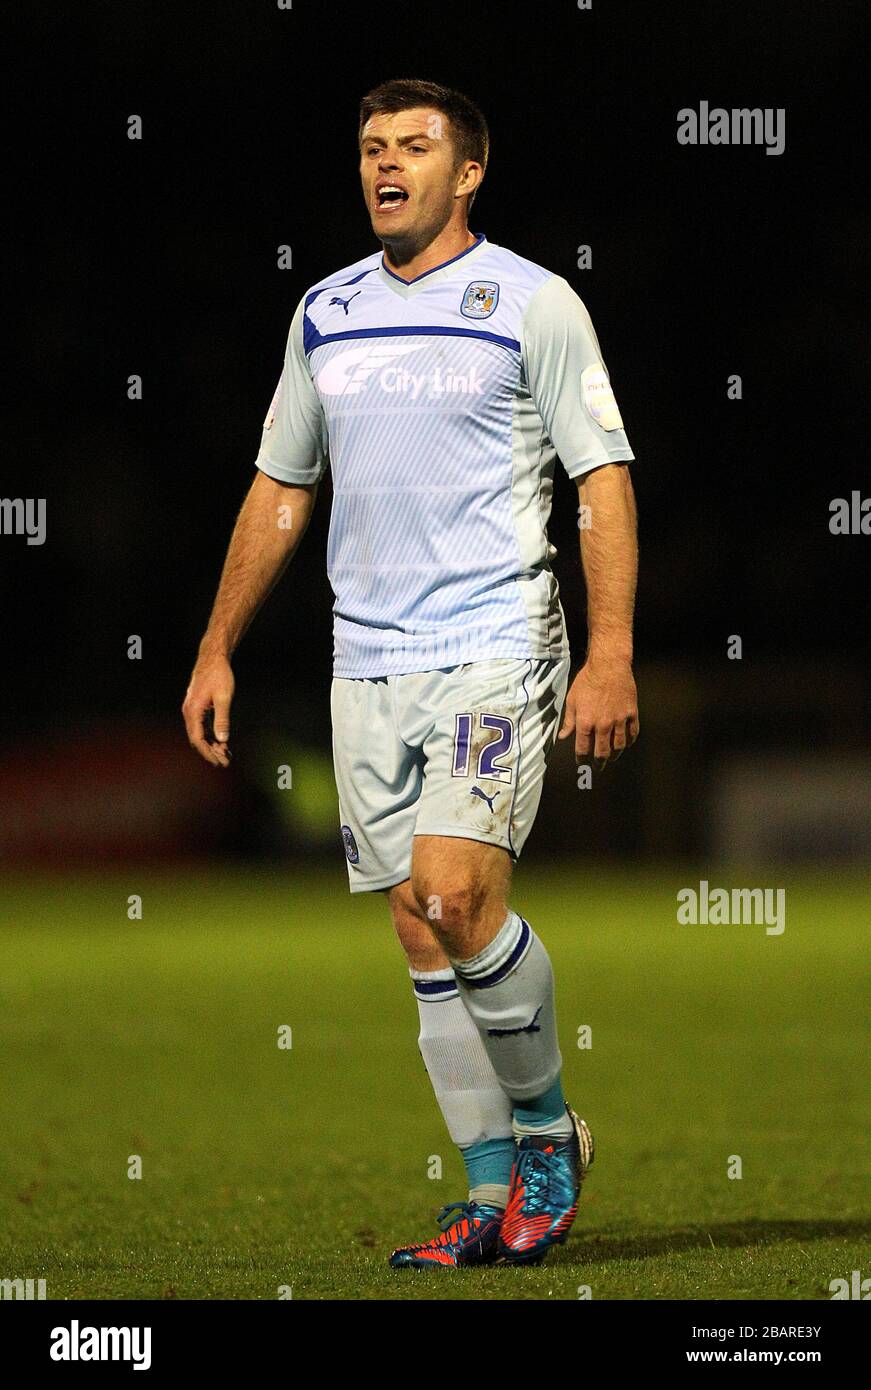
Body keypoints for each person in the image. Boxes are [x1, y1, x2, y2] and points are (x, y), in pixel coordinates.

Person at [182, 78, 639, 1269]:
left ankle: (548, 1137)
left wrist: (610, 652)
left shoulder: (534, 303)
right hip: (366, 661)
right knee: (418, 930)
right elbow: (283, 489)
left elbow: (601, 479)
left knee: (457, 891)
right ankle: (486, 1196)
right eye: (372, 147)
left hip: (492, 646)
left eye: (415, 145)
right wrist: (216, 643)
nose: (387, 163)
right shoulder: (325, 313)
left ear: (469, 170)